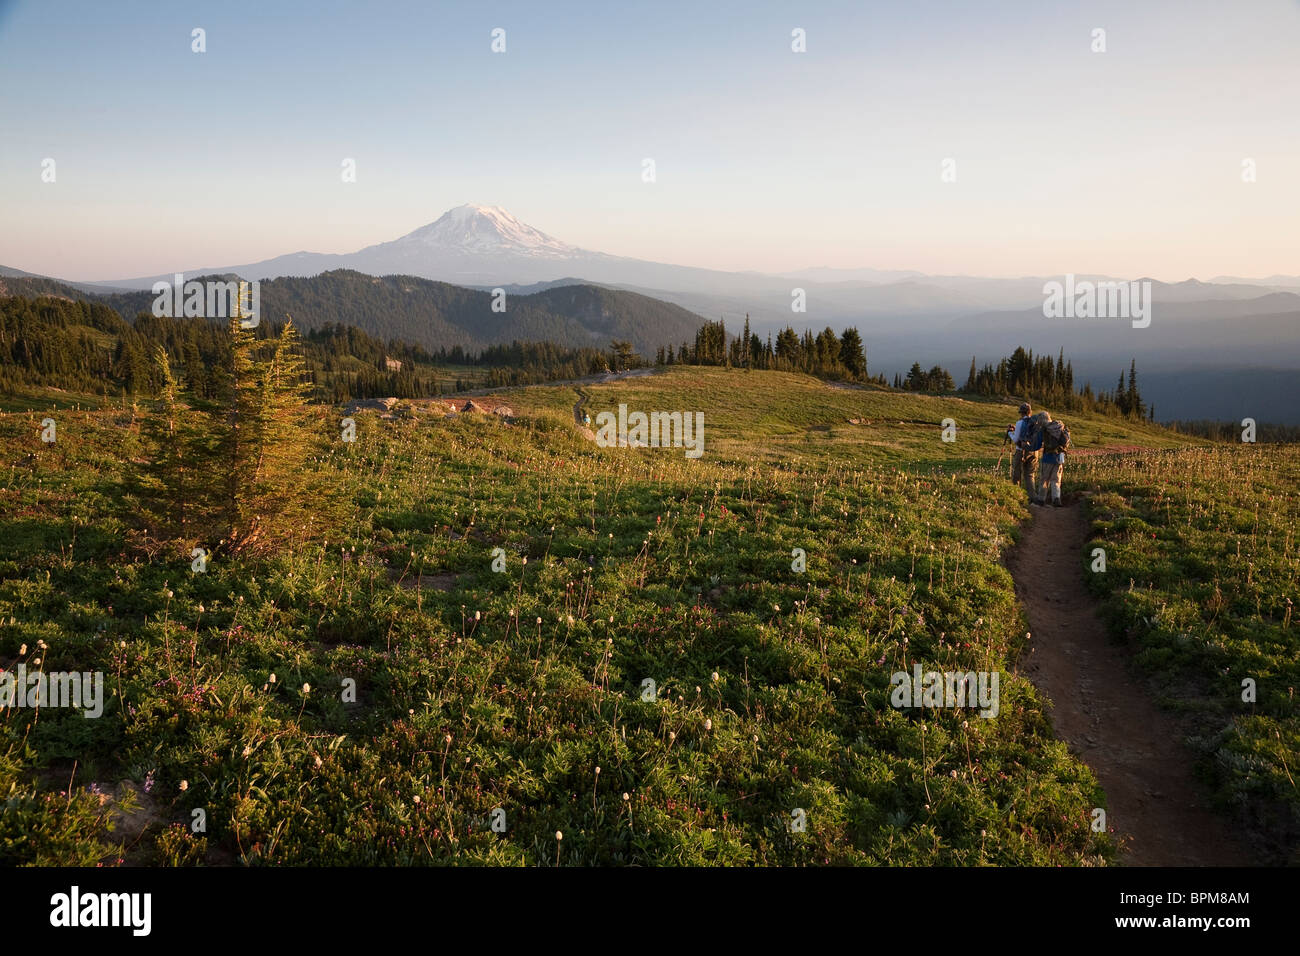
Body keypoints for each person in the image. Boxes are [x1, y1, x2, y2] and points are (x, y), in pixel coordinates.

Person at [1010, 402, 1037, 498]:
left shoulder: (1019, 423)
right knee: (1030, 474)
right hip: (1033, 451)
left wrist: (1010, 433)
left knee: (1017, 474)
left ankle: (1017, 496)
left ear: (1021, 413)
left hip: (1021, 451)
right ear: (1030, 412)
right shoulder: (1034, 423)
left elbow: (1016, 439)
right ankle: (1032, 497)